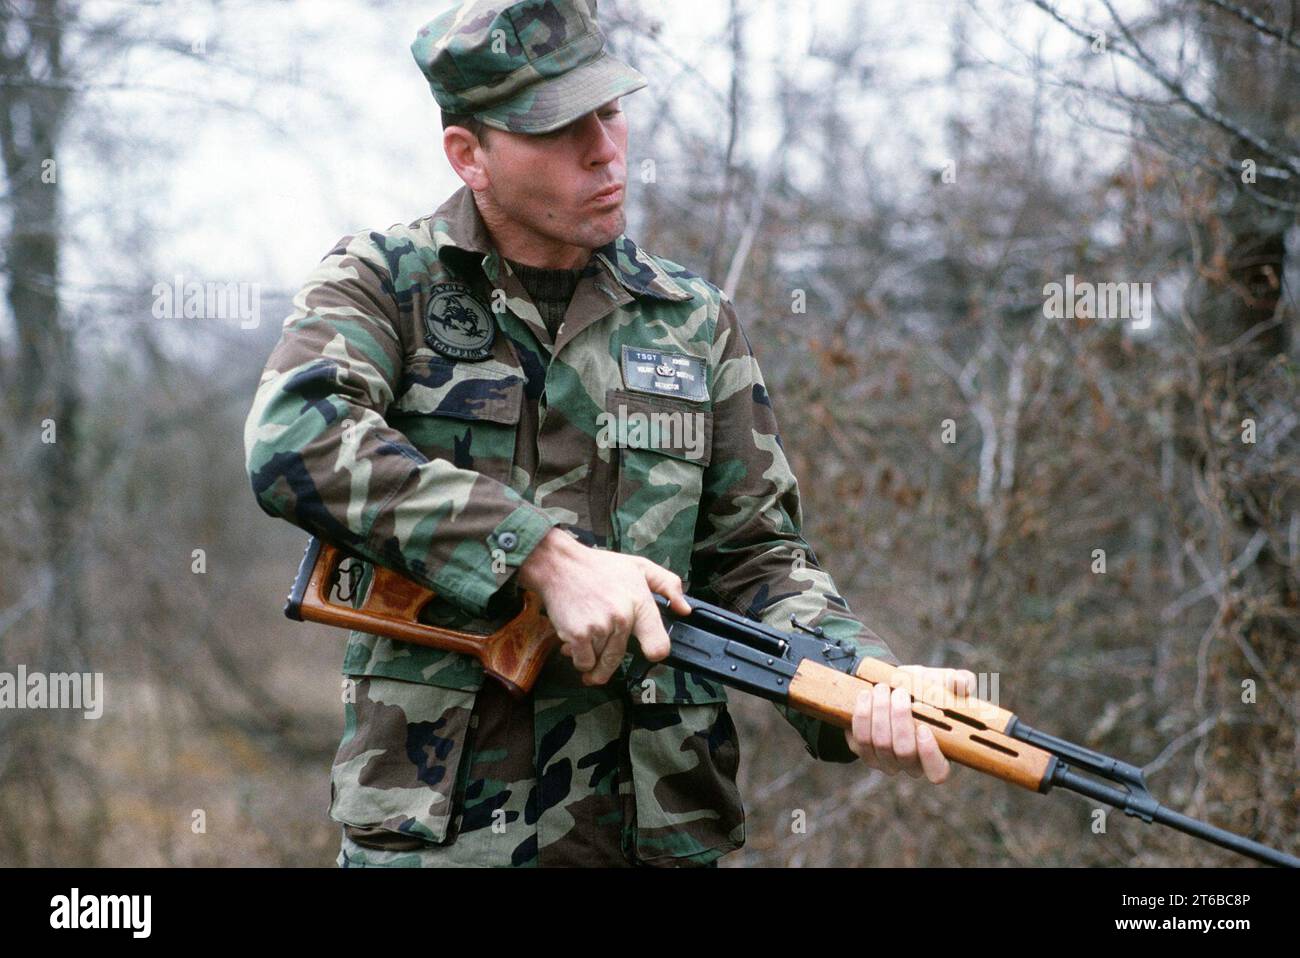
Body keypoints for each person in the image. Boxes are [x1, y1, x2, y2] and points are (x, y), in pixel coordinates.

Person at [243, 0, 975, 867]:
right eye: (560, 127)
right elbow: (296, 438)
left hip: (654, 833)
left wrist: (864, 683)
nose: (605, 149)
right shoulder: (384, 283)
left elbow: (756, 557)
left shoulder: (690, 319)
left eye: (611, 110)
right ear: (469, 155)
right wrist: (540, 556)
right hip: (444, 841)